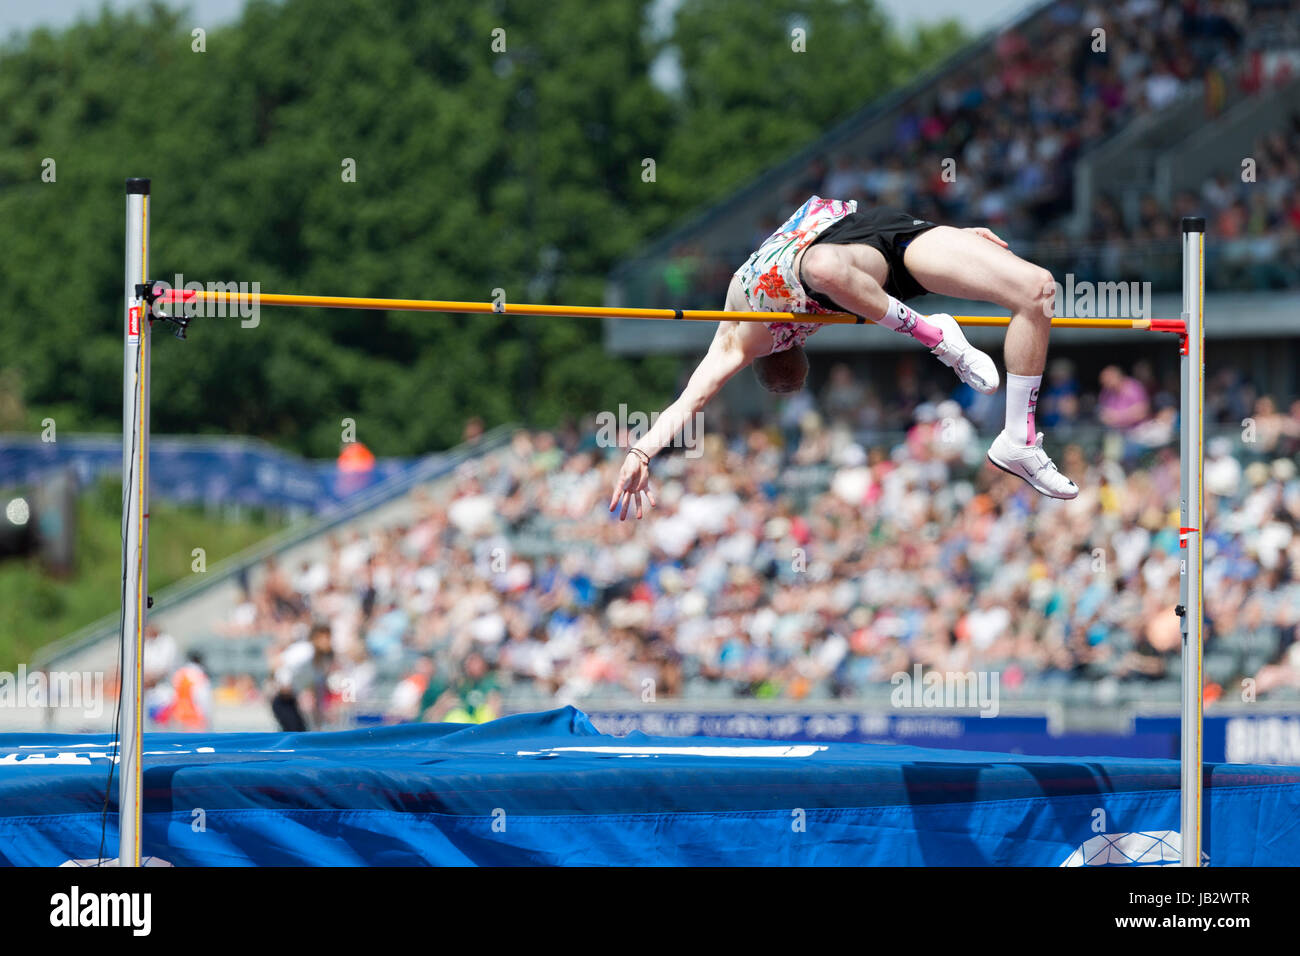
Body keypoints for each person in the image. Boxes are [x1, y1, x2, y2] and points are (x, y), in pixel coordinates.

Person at [609, 195, 1077, 519]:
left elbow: (689, 402)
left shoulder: (738, 336)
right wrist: (642, 450)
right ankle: (936, 337)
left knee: (1036, 289)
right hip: (860, 266)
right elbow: (688, 403)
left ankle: (1018, 437)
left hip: (872, 231)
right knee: (821, 269)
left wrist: (641, 451)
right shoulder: (744, 343)